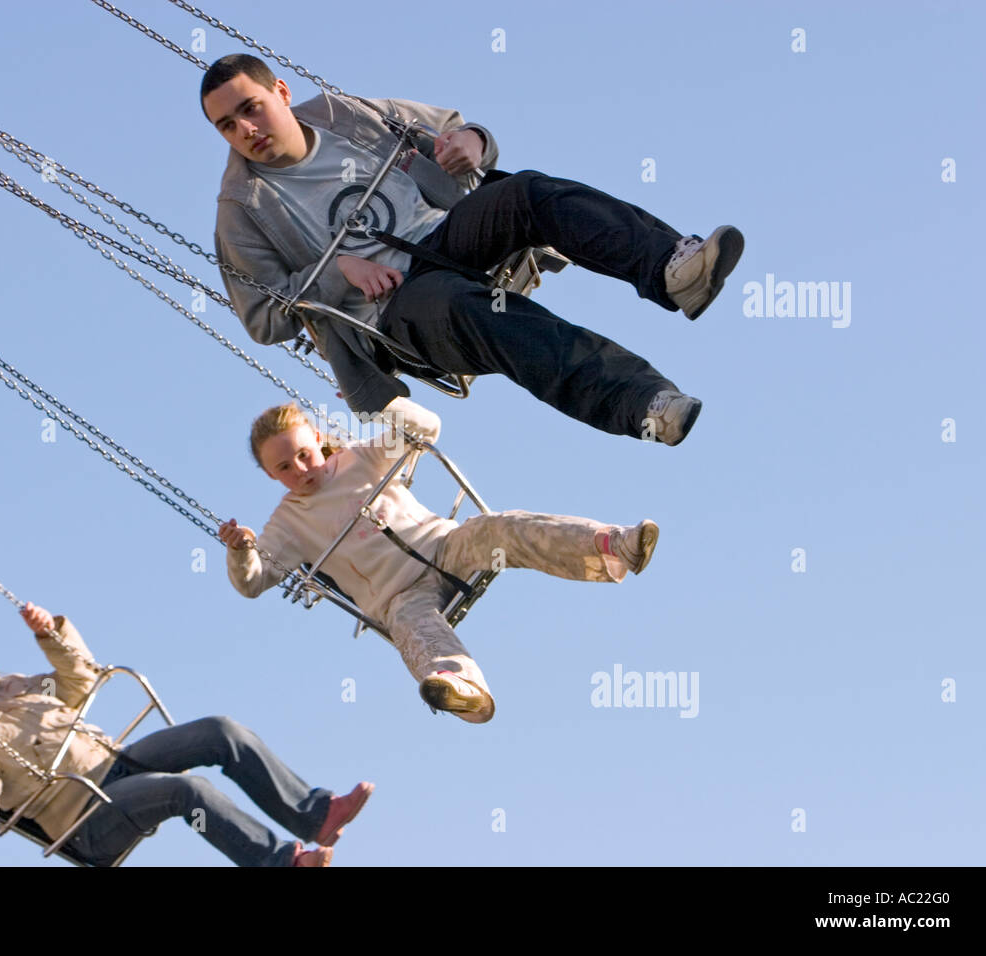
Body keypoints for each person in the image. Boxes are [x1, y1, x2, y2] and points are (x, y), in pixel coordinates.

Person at [202, 53, 746, 446]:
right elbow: (262, 316)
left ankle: (674, 271)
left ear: (281, 93)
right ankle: (642, 403)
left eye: (251, 107)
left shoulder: (343, 115)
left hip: (443, 235)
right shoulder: (242, 208)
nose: (246, 129)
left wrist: (472, 142)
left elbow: (450, 128)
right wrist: (339, 271)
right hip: (397, 309)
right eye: (227, 125)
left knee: (524, 192)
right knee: (477, 310)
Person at [219, 397, 660, 723]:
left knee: (501, 528)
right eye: (284, 468)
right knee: (414, 631)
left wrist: (377, 401)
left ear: (318, 438)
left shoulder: (361, 458)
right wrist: (240, 551)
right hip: (399, 595)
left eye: (303, 454)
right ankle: (461, 686)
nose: (301, 470)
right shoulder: (288, 523)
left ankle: (614, 546)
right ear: (270, 476)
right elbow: (253, 582)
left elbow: (426, 425)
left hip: (443, 547)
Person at [0, 601, 373, 867]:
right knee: (186, 790)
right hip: (88, 818)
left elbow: (80, 680)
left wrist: (51, 634)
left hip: (117, 761)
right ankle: (282, 862)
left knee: (221, 731)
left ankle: (316, 814)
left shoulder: (17, 689)